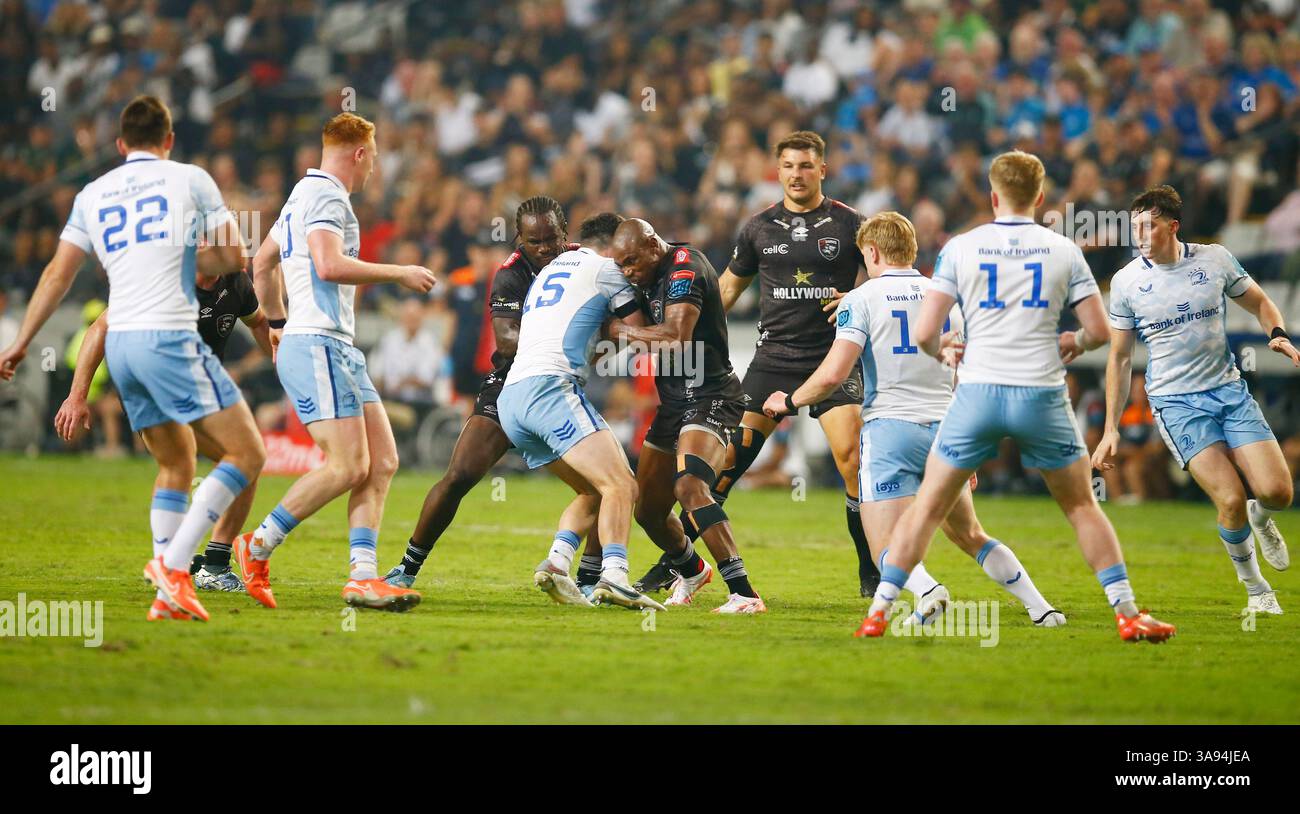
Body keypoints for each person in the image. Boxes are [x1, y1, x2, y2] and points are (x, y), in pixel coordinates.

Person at [854, 151, 1175, 643]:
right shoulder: (1062, 249)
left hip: (977, 395)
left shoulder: (961, 248)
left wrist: (940, 351)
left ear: (992, 195)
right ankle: (1127, 613)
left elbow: (924, 332)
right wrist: (1074, 342)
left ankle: (878, 613)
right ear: (1041, 197)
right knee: (1082, 508)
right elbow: (1098, 330)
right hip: (1041, 393)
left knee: (924, 510)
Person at [0, 94, 266, 622]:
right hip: (168, 335)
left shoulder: (92, 193)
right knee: (248, 455)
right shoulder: (191, 178)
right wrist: (192, 247)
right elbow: (233, 257)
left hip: (120, 345)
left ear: (121, 145)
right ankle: (175, 565)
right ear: (168, 140)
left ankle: (169, 595)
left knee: (175, 462)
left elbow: (57, 273)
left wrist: (21, 341)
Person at [763, 211, 1065, 628]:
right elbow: (964, 375)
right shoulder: (946, 299)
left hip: (891, 431)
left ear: (871, 252)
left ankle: (928, 591)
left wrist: (788, 401)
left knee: (883, 545)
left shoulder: (861, 298)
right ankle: (1042, 608)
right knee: (969, 534)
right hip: (947, 432)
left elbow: (834, 374)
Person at [637, 129, 881, 597]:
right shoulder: (757, 228)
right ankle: (677, 564)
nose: (796, 174)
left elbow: (883, 277)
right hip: (772, 361)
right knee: (723, 467)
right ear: (778, 171)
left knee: (852, 462)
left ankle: (869, 571)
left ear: (822, 170)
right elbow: (727, 289)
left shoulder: (852, 225)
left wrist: (857, 295)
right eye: (788, 166)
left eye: (806, 166)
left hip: (832, 360)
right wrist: (693, 332)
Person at [241, 112, 435, 612]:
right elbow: (328, 266)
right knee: (349, 464)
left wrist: (278, 325)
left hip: (332, 346)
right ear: (360, 153)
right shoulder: (327, 196)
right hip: (321, 343)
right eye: (373, 159)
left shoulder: (297, 197)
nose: (373, 170)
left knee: (382, 461)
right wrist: (399, 273)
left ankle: (362, 578)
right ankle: (256, 546)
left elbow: (261, 265)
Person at [383, 202, 608, 590]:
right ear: (521, 238)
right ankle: (406, 568)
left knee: (604, 483)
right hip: (509, 385)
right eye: (534, 241)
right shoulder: (511, 274)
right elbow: (505, 342)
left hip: (556, 387)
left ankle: (589, 580)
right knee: (459, 476)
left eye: (551, 239)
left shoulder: (584, 262)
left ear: (565, 232)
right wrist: (561, 340)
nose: (544, 248)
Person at [1093, 185, 1296, 616]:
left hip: (1229, 392)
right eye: (1135, 227)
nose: (1141, 234)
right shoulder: (1129, 282)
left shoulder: (1215, 259)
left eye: (1149, 225)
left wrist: (1276, 334)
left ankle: (1262, 515)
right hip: (1176, 403)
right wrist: (1111, 428)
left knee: (1278, 493)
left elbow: (1259, 301)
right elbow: (1120, 356)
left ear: (1173, 226)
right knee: (1228, 499)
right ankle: (1257, 590)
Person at [55, 263, 274, 592]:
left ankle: (204, 563)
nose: (240, 249)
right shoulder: (164, 274)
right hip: (155, 389)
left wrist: (281, 360)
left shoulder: (236, 281)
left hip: (201, 390)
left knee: (247, 461)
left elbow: (259, 323)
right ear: (198, 245)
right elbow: (102, 327)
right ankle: (179, 563)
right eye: (226, 239)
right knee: (203, 462)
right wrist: (76, 396)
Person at [496, 220, 663, 611]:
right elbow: (640, 333)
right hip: (551, 389)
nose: (627, 264)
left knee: (593, 489)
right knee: (623, 485)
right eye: (625, 255)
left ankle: (556, 563)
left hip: (512, 401)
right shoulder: (606, 270)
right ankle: (616, 576)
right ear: (611, 247)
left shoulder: (549, 271)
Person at [606, 218, 765, 613]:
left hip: (712, 395)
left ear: (651, 245)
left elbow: (676, 335)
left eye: (631, 262)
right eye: (620, 266)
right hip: (674, 401)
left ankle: (744, 593)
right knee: (648, 510)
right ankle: (692, 570)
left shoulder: (684, 268)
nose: (627, 272)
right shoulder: (646, 273)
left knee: (690, 485)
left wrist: (617, 332)